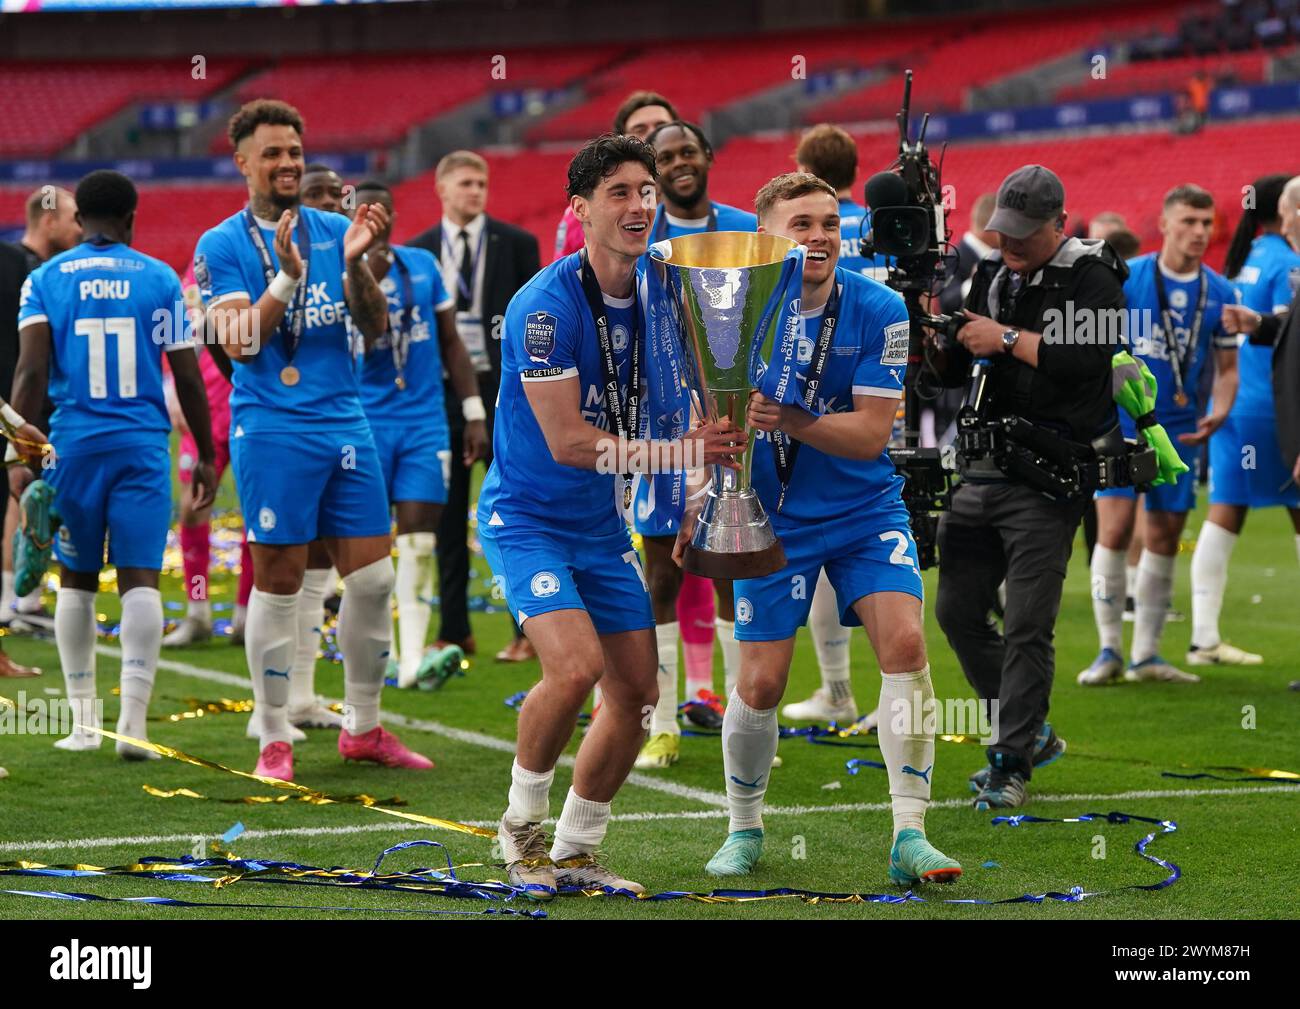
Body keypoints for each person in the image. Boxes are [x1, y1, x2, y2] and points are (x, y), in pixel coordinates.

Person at [479, 133, 739, 898]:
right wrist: (678, 454)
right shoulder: (543, 307)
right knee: (575, 666)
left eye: (646, 191)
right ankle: (519, 828)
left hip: (601, 527)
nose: (638, 205)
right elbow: (568, 442)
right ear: (581, 209)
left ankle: (577, 847)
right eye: (619, 192)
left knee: (635, 692)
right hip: (528, 519)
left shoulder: (667, 290)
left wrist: (697, 490)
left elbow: (685, 401)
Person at [693, 172, 960, 885]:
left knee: (904, 641)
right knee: (760, 684)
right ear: (764, 236)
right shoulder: (733, 304)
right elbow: (707, 419)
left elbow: (873, 434)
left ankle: (911, 831)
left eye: (829, 225)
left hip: (864, 508)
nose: (817, 237)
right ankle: (742, 828)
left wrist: (790, 420)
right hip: (771, 515)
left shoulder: (880, 308)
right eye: (801, 224)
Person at [194, 98, 430, 781]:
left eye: (294, 151)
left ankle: (363, 726)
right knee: (280, 580)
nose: (288, 163)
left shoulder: (336, 226)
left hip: (345, 419)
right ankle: (274, 733)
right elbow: (239, 343)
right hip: (272, 427)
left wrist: (356, 264)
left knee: (375, 578)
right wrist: (290, 273)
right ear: (243, 163)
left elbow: (374, 324)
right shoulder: (221, 244)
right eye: (272, 152)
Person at [933, 165, 1126, 809]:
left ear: (1059, 225)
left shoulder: (1095, 276)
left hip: (1049, 475)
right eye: (1002, 234)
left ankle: (1010, 761)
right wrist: (947, 341)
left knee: (1027, 625)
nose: (1009, 246)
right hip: (981, 466)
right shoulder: (991, 273)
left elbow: (1087, 360)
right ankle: (1030, 732)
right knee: (957, 611)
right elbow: (961, 363)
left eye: (1023, 234)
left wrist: (1005, 337)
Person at [10, 169, 217, 759]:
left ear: (79, 222)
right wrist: (202, 453)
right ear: (131, 219)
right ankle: (135, 728)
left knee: (75, 580)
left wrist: (20, 458)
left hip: (72, 447)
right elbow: (185, 373)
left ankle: (82, 724)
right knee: (140, 579)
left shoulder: (45, 278)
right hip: (141, 448)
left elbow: (28, 375)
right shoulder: (157, 279)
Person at [632, 118, 759, 770]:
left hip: (732, 419)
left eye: (687, 151)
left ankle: (743, 720)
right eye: (666, 156)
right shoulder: (638, 236)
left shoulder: (744, 230)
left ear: (707, 155)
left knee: (731, 571)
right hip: (660, 424)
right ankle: (660, 723)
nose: (679, 163)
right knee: (662, 572)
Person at [1081, 184, 1239, 686]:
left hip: (1180, 426)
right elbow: (1096, 350)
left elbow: (1228, 367)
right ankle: (1108, 649)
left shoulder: (1221, 292)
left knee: (1167, 534)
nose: (1198, 232)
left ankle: (1146, 654)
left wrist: (1220, 409)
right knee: (1114, 529)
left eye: (1206, 223)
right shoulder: (1128, 280)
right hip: (1122, 422)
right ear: (1166, 224)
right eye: (1189, 221)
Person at [406, 151, 541, 663]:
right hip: (439, 395)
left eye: (481, 183)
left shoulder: (517, 244)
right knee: (445, 516)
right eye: (465, 183)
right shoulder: (417, 253)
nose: (475, 191)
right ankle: (455, 628)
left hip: (504, 393)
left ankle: (527, 629)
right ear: (441, 189)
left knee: (514, 511)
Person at [353, 179, 487, 687]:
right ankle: (373, 651)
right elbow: (360, 340)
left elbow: (452, 342)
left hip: (424, 420)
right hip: (364, 419)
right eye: (366, 212)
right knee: (366, 549)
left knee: (419, 544)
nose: (376, 220)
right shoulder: (343, 273)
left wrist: (473, 410)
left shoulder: (424, 266)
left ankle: (409, 660)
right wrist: (368, 270)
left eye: (382, 211)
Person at [1188, 173, 1300, 665]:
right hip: (1276, 407)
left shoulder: (1248, 259)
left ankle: (1203, 637)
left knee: (1224, 512)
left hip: (1233, 403)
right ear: (1286, 211)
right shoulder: (1288, 262)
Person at [161, 266, 256, 649]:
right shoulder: (190, 283)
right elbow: (173, 335)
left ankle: (247, 613)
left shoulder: (257, 273)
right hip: (205, 412)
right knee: (193, 508)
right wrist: (172, 388)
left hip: (252, 408)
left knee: (258, 512)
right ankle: (198, 610)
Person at [1, 185, 81, 634]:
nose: (78, 228)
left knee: (32, 498)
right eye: (73, 218)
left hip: (44, 405)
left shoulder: (59, 273)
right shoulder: (10, 263)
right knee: (18, 492)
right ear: (49, 219)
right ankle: (17, 600)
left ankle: (20, 599)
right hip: (14, 404)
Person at [552, 91, 677, 262]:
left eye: (662, 127)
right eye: (640, 129)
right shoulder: (583, 212)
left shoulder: (696, 207)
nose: (652, 135)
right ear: (622, 139)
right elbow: (565, 275)